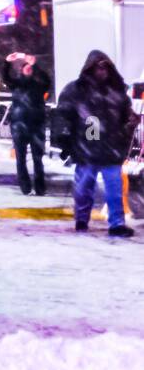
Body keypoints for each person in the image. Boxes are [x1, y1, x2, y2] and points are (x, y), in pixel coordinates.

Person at [52, 48, 137, 237]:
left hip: (110, 147)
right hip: (89, 147)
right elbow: (62, 116)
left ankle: (116, 224)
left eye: (105, 67)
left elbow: (126, 116)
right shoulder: (76, 90)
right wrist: (64, 142)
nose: (102, 71)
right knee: (84, 187)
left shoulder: (116, 90)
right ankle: (82, 219)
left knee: (114, 189)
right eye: (98, 67)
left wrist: (128, 128)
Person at [4, 52, 52, 196]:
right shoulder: (16, 84)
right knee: (21, 158)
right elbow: (6, 77)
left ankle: (40, 187)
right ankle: (25, 186)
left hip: (36, 126)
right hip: (19, 126)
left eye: (30, 68)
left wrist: (35, 65)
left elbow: (47, 80)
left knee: (38, 159)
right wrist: (7, 63)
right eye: (26, 68)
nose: (28, 69)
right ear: (21, 71)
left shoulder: (39, 85)